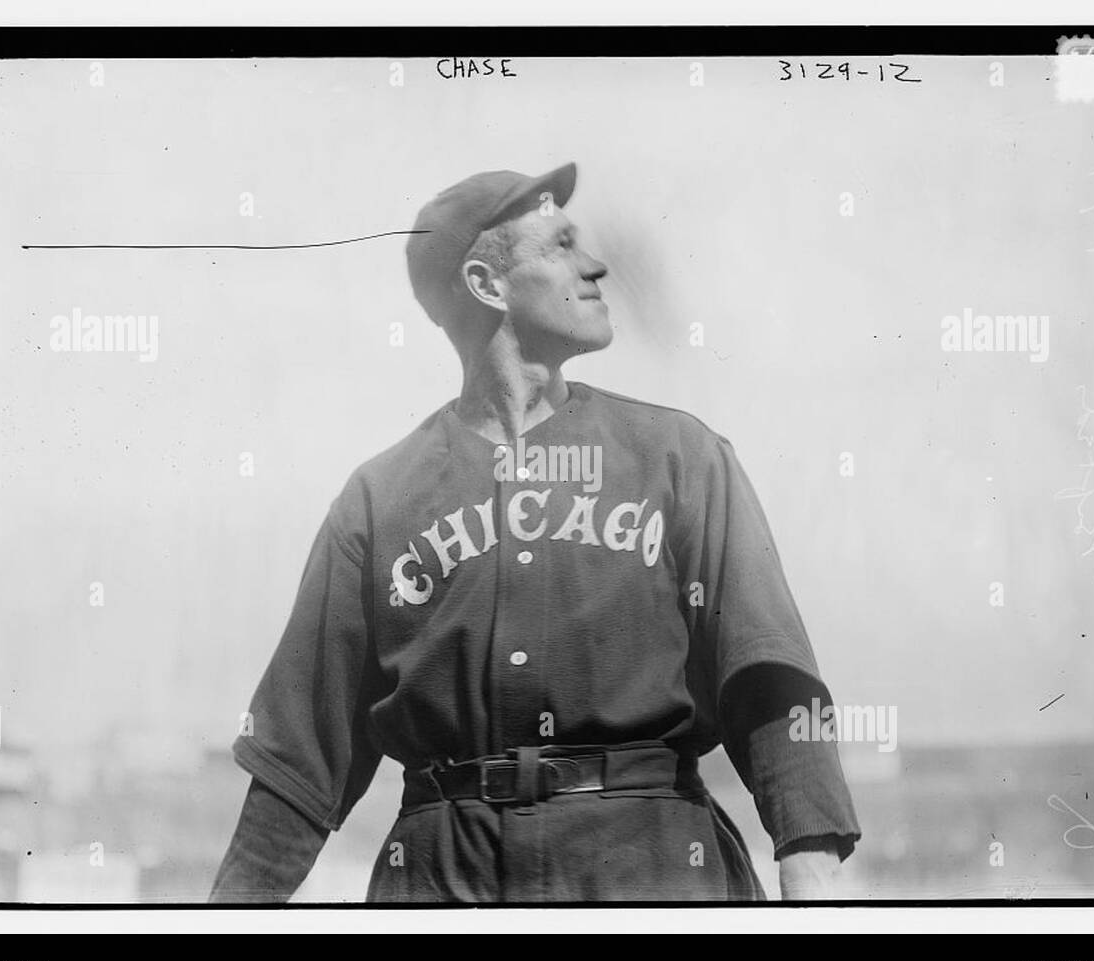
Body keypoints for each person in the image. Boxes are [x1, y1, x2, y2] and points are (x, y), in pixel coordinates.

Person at [210, 162, 860, 902]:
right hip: (444, 876)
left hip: (647, 869)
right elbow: (299, 764)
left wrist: (813, 879)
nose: (597, 265)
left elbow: (768, 684)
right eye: (559, 247)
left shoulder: (680, 460)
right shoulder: (378, 499)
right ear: (487, 284)